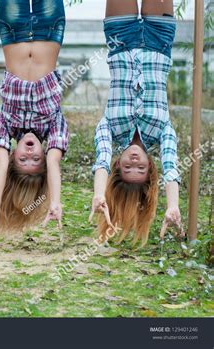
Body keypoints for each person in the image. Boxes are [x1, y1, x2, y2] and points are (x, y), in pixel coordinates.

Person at [90, 0, 183, 246]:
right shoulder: (164, 132)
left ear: (117, 165)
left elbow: (101, 160)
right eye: (140, 170)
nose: (133, 163)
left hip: (120, 39)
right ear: (150, 167)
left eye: (126, 169)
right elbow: (172, 167)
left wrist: (99, 194)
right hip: (160, 40)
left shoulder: (109, 128)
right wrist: (172, 205)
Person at [0, 0, 68, 232]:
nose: (30, 154)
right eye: (35, 160)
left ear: (13, 156)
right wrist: (55, 202)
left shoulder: (5, 124)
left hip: (13, 32)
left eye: (22, 160)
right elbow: (54, 162)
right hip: (50, 29)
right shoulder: (54, 125)